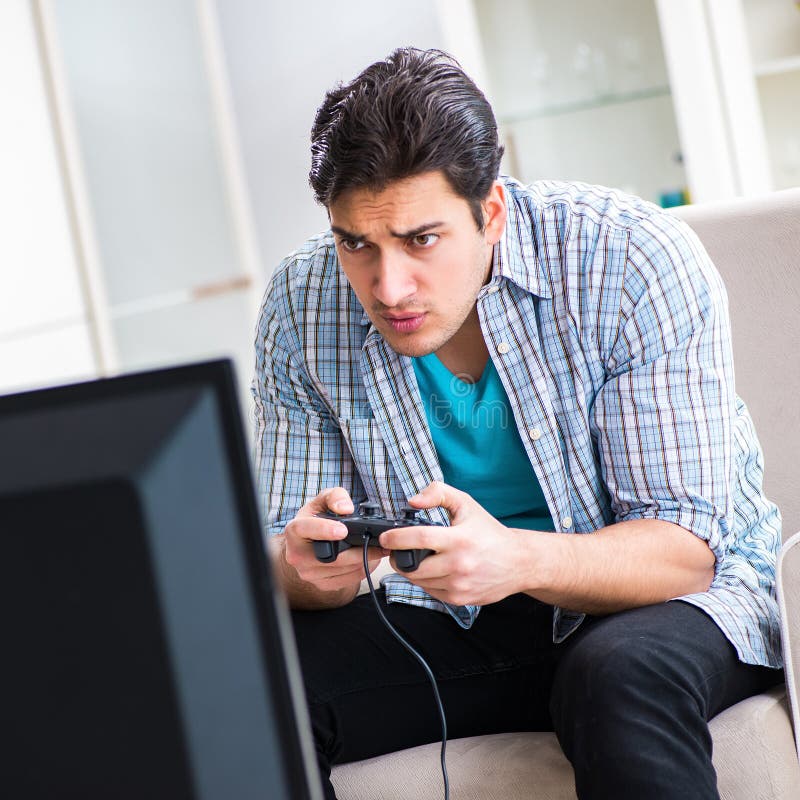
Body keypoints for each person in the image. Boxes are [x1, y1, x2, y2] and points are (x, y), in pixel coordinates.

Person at [252, 48, 783, 799]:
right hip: (454, 613)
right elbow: (284, 554)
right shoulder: (302, 303)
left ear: (491, 213)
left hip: (669, 604)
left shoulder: (629, 258)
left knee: (617, 674)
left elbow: (684, 553)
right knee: (250, 684)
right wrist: (305, 567)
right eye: (357, 243)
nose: (388, 286)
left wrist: (516, 559)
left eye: (421, 239)